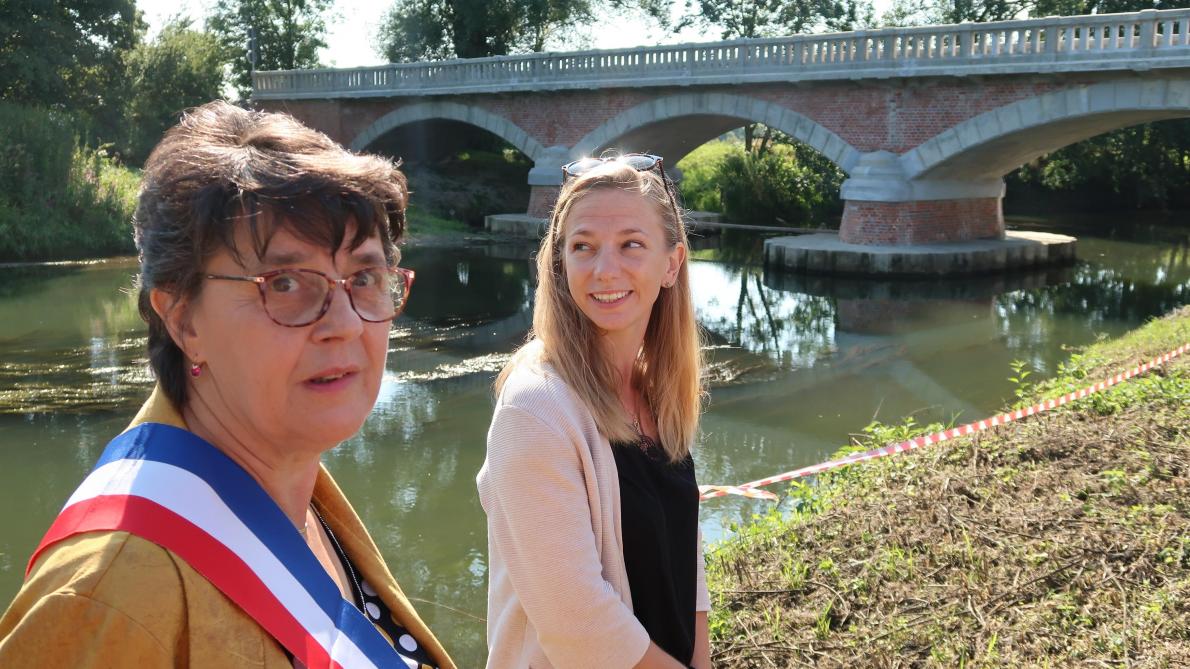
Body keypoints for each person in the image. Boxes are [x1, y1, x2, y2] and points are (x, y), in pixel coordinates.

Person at [0, 101, 456, 669]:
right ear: (184, 319)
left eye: (364, 277)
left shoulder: (292, 484)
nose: (343, 324)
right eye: (285, 283)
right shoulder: (107, 591)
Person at [477, 154, 710, 669]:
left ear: (671, 263)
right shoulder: (535, 410)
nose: (605, 270)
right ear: (560, 263)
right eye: (583, 247)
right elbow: (580, 628)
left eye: (631, 244)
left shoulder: (658, 391)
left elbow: (685, 560)